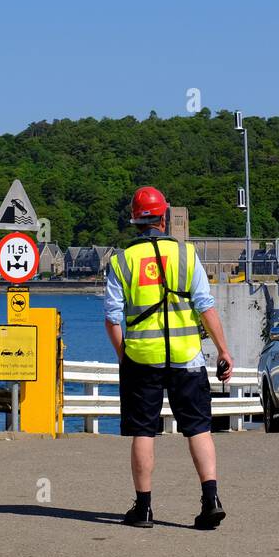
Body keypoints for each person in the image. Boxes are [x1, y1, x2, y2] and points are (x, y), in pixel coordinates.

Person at [104, 186, 235, 530]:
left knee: (143, 432)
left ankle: (144, 509)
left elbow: (112, 319)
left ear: (135, 221)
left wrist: (124, 356)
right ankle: (211, 500)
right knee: (198, 429)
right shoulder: (187, 255)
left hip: (141, 360)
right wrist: (223, 350)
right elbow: (205, 307)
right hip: (187, 357)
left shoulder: (121, 261)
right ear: (163, 218)